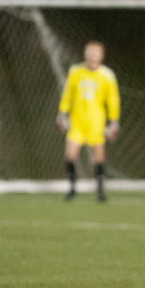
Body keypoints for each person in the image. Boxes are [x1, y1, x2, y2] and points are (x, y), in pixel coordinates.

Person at [57, 40, 121, 202]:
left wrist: (113, 121)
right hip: (77, 121)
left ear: (102, 55)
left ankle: (100, 191)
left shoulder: (107, 75)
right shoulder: (75, 72)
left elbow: (113, 100)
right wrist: (63, 113)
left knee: (98, 157)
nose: (92, 55)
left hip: (96, 123)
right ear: (85, 53)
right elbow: (67, 95)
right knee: (70, 155)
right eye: (89, 51)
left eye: (96, 52)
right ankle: (72, 188)